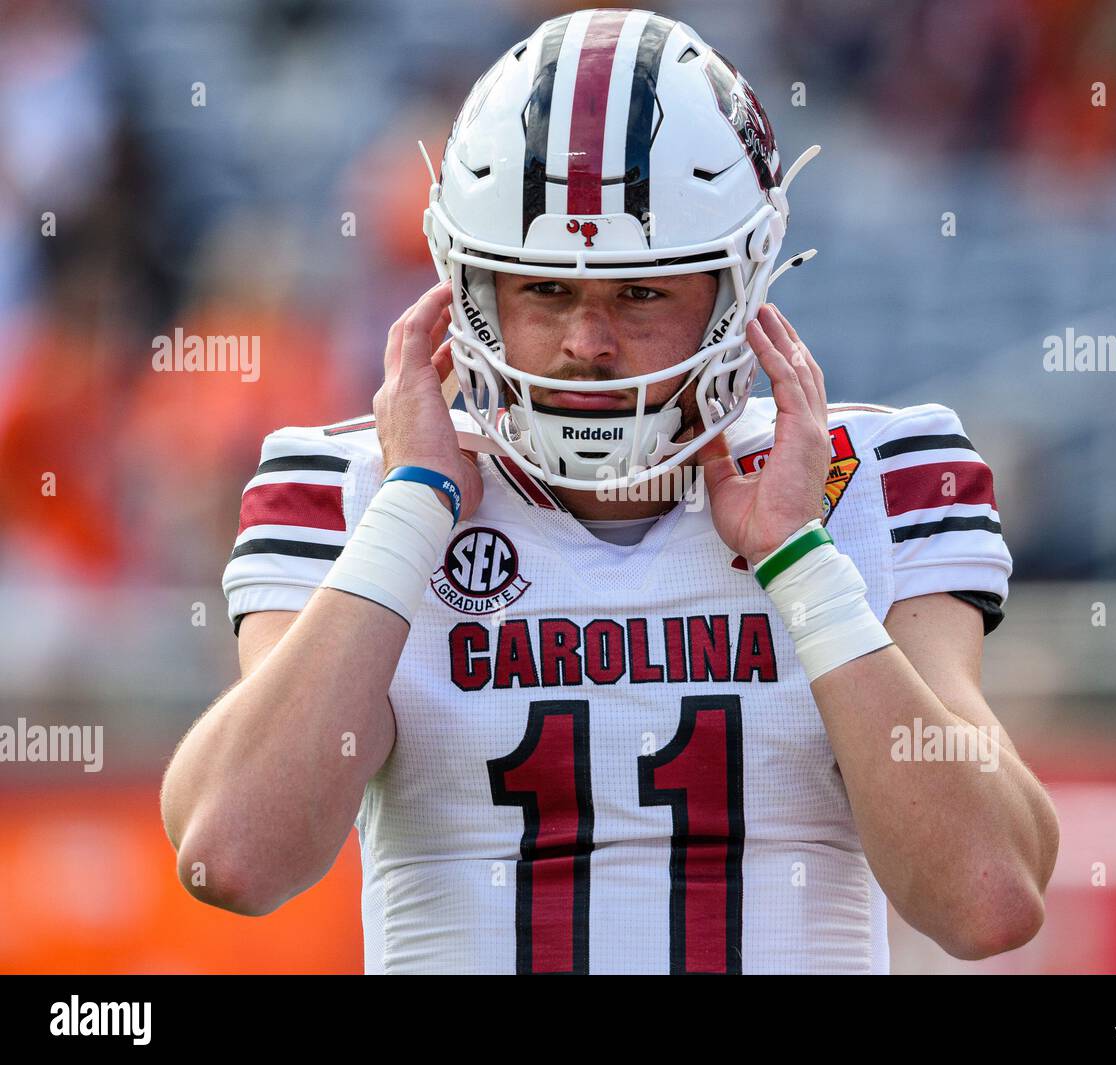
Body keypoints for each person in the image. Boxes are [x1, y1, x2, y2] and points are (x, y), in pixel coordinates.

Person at [161, 8, 1058, 974]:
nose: (587, 345)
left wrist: (805, 566)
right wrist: (412, 512)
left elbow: (988, 896)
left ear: (736, 287)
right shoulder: (354, 488)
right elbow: (232, 856)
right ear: (469, 287)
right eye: (544, 290)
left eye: (640, 294)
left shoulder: (872, 478)